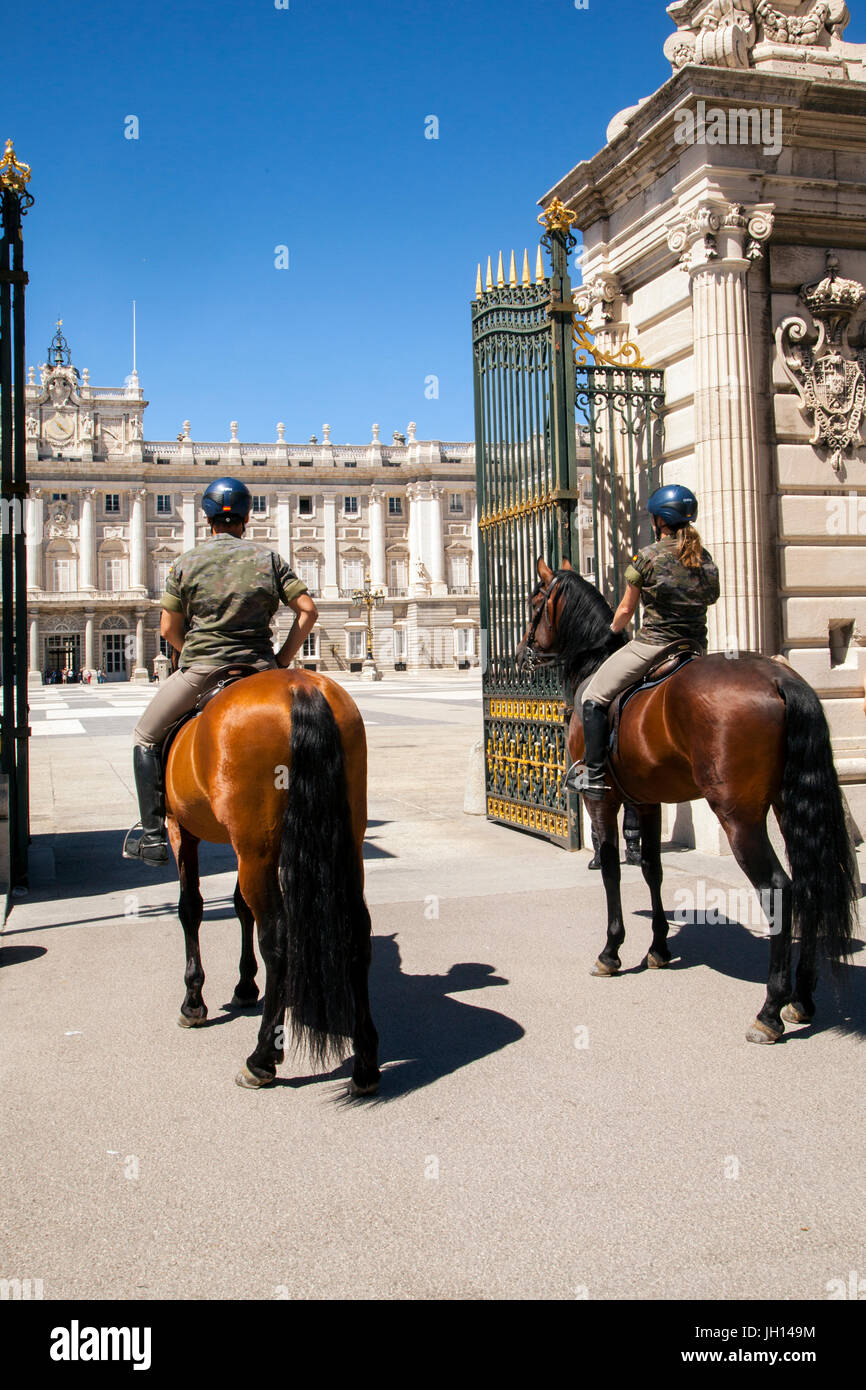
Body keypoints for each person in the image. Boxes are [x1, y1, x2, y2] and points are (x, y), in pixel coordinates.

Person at [124, 476, 318, 865]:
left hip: (202, 669)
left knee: (145, 737)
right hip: (261, 669)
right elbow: (308, 611)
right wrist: (280, 660)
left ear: (207, 518)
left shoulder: (186, 562)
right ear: (246, 517)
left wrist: (191, 653)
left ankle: (151, 836)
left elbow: (167, 628)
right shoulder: (269, 559)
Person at [579, 484, 720, 800]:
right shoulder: (704, 557)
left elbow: (627, 609)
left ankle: (595, 774)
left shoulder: (647, 557)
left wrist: (612, 630)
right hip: (696, 647)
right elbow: (712, 596)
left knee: (593, 695)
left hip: (655, 645)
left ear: (659, 520)